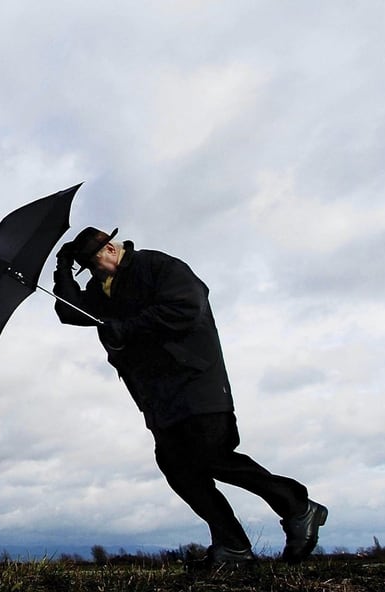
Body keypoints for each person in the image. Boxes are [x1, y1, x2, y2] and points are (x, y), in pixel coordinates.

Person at [52, 226, 327, 566]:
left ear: (111, 249)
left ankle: (297, 507)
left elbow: (186, 307)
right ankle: (233, 546)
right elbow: (70, 311)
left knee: (211, 455)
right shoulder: (101, 288)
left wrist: (128, 327)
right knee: (177, 467)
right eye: (88, 268)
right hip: (155, 394)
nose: (95, 272)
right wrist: (63, 269)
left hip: (196, 382)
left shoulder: (158, 266)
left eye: (95, 263)